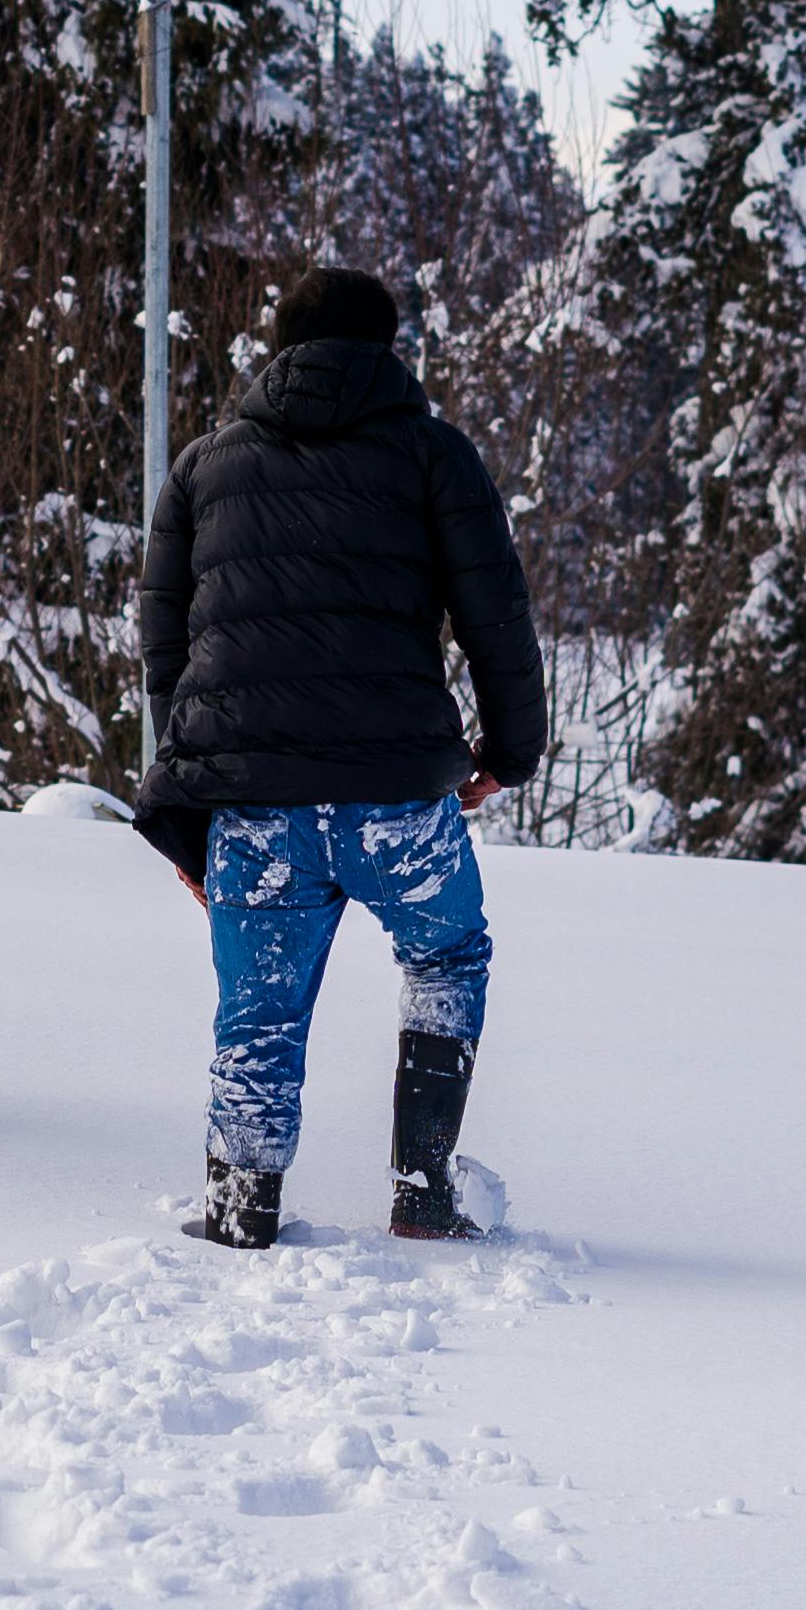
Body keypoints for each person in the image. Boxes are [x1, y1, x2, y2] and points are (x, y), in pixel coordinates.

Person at [133, 258, 547, 1251]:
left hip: (255, 801)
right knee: (445, 953)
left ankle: (241, 1207)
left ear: (277, 347)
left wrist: (189, 810)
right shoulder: (431, 455)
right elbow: (496, 612)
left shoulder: (201, 465)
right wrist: (509, 752)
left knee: (257, 1012)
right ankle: (422, 1188)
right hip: (397, 794)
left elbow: (164, 645)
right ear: (388, 346)